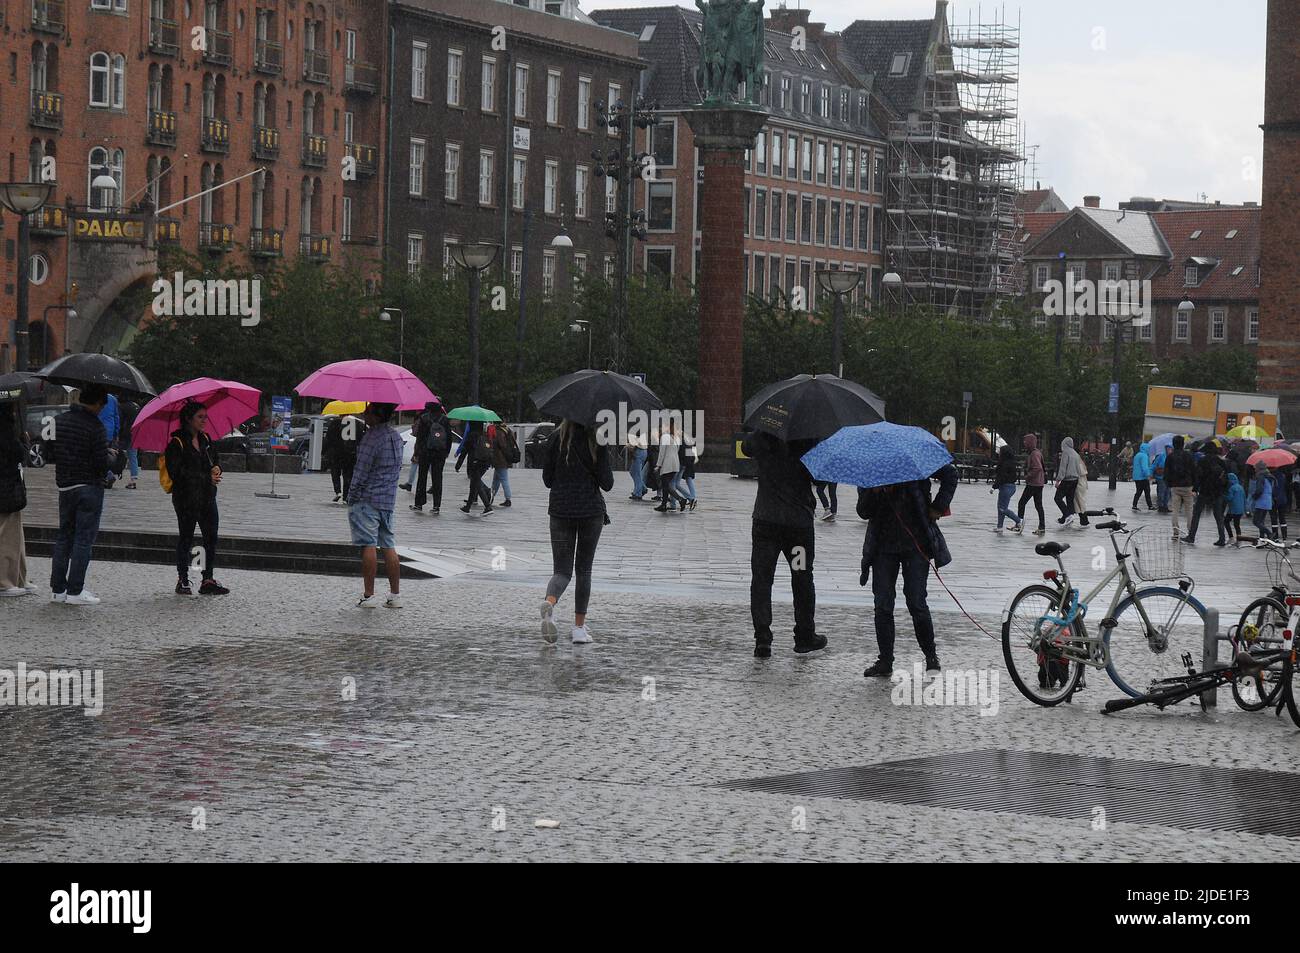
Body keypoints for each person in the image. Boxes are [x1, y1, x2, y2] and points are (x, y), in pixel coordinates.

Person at [859, 461, 959, 677]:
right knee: (883, 604)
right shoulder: (872, 468)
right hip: (883, 547)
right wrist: (874, 492)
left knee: (916, 601)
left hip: (915, 543)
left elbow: (951, 474)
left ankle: (931, 656)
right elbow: (863, 511)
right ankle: (885, 660)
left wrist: (938, 506)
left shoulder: (914, 464)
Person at [742, 430, 824, 658]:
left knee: (762, 578)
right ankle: (804, 635)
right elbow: (821, 479)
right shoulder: (808, 439)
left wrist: (762, 431)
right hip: (797, 527)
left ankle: (763, 638)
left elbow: (746, 447)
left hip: (766, 523)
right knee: (801, 577)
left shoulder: (764, 434)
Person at [540, 419, 613, 645]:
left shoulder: (555, 438)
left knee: (561, 571)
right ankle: (579, 629)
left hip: (560, 510)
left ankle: (550, 603)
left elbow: (547, 480)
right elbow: (607, 483)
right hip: (590, 512)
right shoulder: (597, 439)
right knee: (583, 571)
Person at [49, 384, 120, 605]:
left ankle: (58, 590)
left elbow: (50, 451)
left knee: (64, 538)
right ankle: (75, 591)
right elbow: (101, 464)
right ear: (98, 403)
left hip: (65, 486)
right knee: (83, 540)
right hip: (89, 487)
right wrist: (112, 457)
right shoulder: (95, 426)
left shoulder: (59, 421)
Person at [164, 401, 229, 595]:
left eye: (205, 417)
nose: (204, 421)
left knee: (211, 538)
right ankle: (183, 578)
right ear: (188, 419)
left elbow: (214, 460)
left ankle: (207, 578)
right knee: (186, 537)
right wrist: (205, 476)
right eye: (200, 417)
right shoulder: (177, 444)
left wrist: (217, 468)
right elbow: (177, 473)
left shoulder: (206, 439)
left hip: (207, 496)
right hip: (186, 498)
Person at [347, 402, 404, 608]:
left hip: (368, 499)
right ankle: (395, 595)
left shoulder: (371, 438)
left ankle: (369, 595)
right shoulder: (396, 437)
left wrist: (351, 497)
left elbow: (360, 472)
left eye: (368, 411)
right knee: (388, 546)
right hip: (387, 500)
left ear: (377, 415)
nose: (364, 414)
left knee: (368, 544)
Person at [0, 403, 36, 596]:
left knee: (16, 535)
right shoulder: (5, 430)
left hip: (9, 488)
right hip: (6, 488)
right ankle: (4, 581)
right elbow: (18, 454)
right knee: (7, 536)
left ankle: (19, 577)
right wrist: (24, 442)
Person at [1185, 442, 1229, 546]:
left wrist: (1195, 489)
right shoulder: (1220, 461)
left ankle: (1191, 537)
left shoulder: (1202, 461)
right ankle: (1222, 539)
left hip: (1205, 491)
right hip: (1217, 492)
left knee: (1196, 514)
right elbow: (1226, 476)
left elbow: (1198, 477)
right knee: (1219, 516)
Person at [412, 401, 452, 514]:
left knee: (422, 477)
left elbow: (419, 437)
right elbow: (448, 437)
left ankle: (419, 503)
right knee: (437, 479)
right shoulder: (444, 419)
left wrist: (417, 452)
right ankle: (436, 506)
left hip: (425, 452)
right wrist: (446, 451)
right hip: (440, 453)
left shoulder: (424, 418)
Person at [454, 420, 494, 514]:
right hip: (485, 462)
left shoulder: (471, 435)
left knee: (477, 484)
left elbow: (464, 451)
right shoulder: (484, 434)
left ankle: (487, 506)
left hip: (475, 462)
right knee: (473, 484)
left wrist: (458, 465)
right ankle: (468, 507)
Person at [653, 418, 690, 513]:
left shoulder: (664, 437)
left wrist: (658, 465)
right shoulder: (676, 437)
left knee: (666, 485)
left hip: (667, 464)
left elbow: (662, 453)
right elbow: (676, 450)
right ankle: (664, 504)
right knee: (666, 485)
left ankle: (681, 499)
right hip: (675, 464)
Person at [1164, 436, 1196, 541]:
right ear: (1183, 444)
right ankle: (1190, 532)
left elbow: (1166, 472)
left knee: (1175, 510)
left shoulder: (1170, 456)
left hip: (1175, 486)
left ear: (1173, 444)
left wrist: (1169, 484)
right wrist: (1195, 486)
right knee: (1189, 510)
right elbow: (1194, 470)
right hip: (1188, 486)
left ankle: (1176, 532)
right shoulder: (1189, 456)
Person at [324, 414, 361, 504]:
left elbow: (328, 439)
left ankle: (338, 491)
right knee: (348, 475)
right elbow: (360, 439)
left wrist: (324, 451)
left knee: (335, 473)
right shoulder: (357, 424)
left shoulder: (334, 423)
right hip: (350, 454)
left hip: (336, 453)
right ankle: (346, 496)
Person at [1016, 433, 1046, 536]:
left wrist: (1028, 476)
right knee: (1039, 505)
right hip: (1039, 483)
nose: (1024, 443)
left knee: (1021, 503)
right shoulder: (1036, 452)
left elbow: (1038, 468)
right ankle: (1042, 527)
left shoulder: (1034, 454)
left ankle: (1019, 524)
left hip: (1033, 484)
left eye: (1025, 441)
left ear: (1030, 442)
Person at [992, 445, 1022, 533]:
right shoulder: (1012, 462)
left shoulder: (1004, 463)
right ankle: (999, 526)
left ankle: (1018, 520)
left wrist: (994, 487)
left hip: (1006, 487)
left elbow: (1001, 477)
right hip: (1011, 487)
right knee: (1001, 507)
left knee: (1002, 508)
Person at [490, 418, 519, 507]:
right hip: (503, 459)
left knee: (503, 479)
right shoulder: (506, 429)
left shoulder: (499, 431)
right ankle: (491, 496)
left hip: (500, 459)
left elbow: (502, 445)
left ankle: (508, 499)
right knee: (496, 479)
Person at [1055, 436, 1084, 526]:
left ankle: (1068, 515)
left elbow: (1063, 467)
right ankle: (1067, 517)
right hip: (1075, 480)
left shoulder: (1066, 453)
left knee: (1057, 498)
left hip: (1067, 480)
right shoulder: (1075, 454)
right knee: (1069, 499)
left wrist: (1058, 480)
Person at [98, 392, 121, 489]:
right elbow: (116, 417)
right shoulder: (113, 399)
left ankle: (107, 474)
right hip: (109, 431)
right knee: (105, 454)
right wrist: (116, 433)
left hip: (98, 430)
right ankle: (106, 475)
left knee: (98, 454)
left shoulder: (96, 397)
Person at [1250, 463, 1276, 546]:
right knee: (1261, 521)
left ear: (1259, 468)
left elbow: (1259, 490)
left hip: (1262, 501)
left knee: (1256, 521)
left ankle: (1269, 534)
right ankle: (1262, 540)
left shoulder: (1261, 477)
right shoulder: (1269, 476)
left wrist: (1254, 496)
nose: (1254, 469)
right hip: (1268, 501)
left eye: (1255, 468)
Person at [119, 398, 141, 489]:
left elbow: (120, 421)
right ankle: (133, 480)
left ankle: (110, 474)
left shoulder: (122, 407)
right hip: (136, 433)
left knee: (117, 453)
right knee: (133, 456)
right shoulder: (136, 406)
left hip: (125, 434)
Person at [1130, 441, 1154, 511]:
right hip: (1142, 477)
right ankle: (1150, 506)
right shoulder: (1144, 456)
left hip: (1136, 477)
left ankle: (1134, 505)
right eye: (1148, 449)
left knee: (1139, 491)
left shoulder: (1137, 455)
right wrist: (1148, 475)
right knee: (1147, 491)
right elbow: (1144, 467)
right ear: (1146, 449)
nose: (1149, 450)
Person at [1225, 471, 1246, 547]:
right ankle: (1239, 539)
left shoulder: (1231, 488)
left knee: (1226, 522)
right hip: (1240, 510)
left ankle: (1231, 537)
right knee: (1237, 525)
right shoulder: (1241, 487)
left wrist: (1224, 496)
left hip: (1233, 509)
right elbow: (1244, 498)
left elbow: (1229, 498)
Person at [679, 432, 699, 510]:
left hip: (687, 462)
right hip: (690, 462)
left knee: (688, 479)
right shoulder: (691, 441)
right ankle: (692, 497)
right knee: (688, 479)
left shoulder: (685, 441)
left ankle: (692, 497)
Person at [1271, 465, 1291, 541]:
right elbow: (1286, 488)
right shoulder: (1283, 476)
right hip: (1283, 499)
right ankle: (1284, 536)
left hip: (1274, 500)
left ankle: (1275, 536)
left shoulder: (1271, 477)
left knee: (1274, 519)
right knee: (1282, 518)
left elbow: (1273, 489)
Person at [627, 429, 648, 501]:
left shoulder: (633, 433)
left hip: (638, 452)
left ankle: (638, 493)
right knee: (634, 472)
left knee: (636, 474)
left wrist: (627, 445)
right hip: (644, 452)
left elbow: (633, 446)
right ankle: (641, 488)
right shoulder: (642, 434)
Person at [1152, 445, 1169, 513]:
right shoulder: (1161, 456)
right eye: (1168, 448)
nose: (1170, 450)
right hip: (1161, 476)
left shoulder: (1172, 456)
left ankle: (1165, 506)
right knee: (1162, 491)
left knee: (1167, 492)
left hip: (1168, 477)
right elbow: (1154, 465)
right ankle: (1161, 506)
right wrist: (1150, 473)